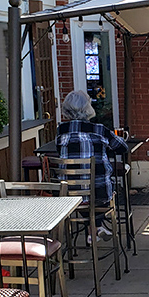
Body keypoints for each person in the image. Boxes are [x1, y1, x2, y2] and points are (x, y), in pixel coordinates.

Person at [56, 90, 128, 238]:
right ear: (88, 108)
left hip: (68, 195)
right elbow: (122, 148)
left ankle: (93, 231)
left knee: (83, 193)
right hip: (99, 194)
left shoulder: (61, 131)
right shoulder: (99, 130)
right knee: (97, 189)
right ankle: (96, 228)